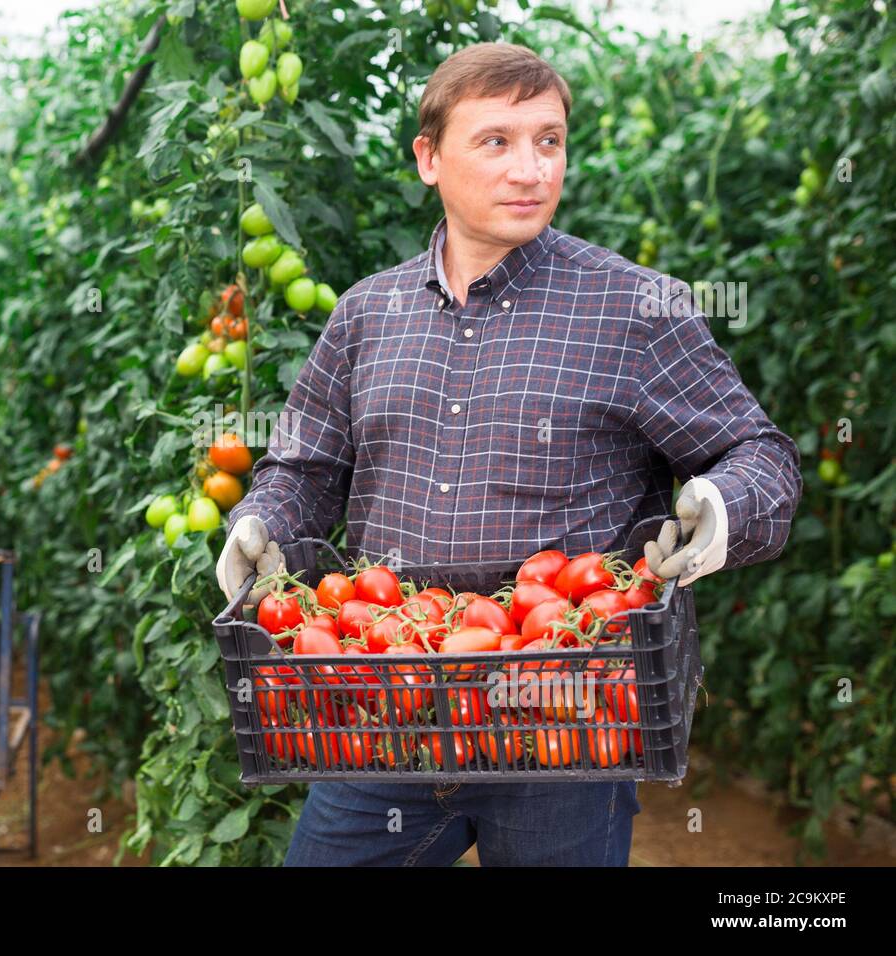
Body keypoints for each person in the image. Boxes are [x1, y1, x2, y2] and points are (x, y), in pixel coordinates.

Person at [216, 42, 803, 867]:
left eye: (548, 140)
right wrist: (258, 522)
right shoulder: (365, 315)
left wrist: (718, 506)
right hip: (390, 710)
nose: (530, 168)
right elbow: (305, 468)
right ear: (429, 157)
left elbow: (761, 453)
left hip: (563, 717)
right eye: (496, 141)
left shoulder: (636, 309)